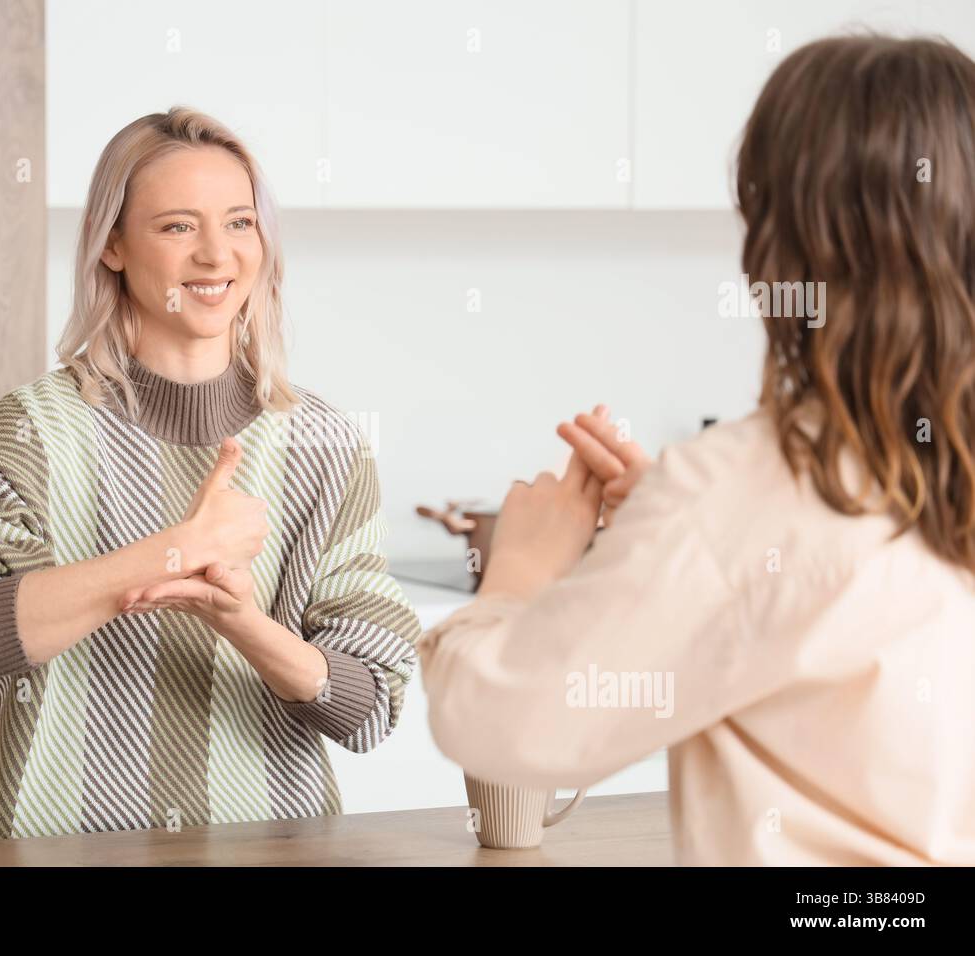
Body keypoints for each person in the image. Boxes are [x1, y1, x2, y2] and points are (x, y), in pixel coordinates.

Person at [418, 35, 975, 865]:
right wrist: (674, 528)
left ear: (780, 243)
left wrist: (518, 572)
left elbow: (503, 726)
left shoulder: (743, 489)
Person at [0, 107, 421, 843]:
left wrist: (242, 622)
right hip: (46, 849)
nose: (217, 256)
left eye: (240, 223)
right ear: (112, 244)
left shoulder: (322, 444)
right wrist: (172, 554)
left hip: (268, 850)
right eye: (179, 226)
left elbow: (368, 709)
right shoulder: (32, 428)